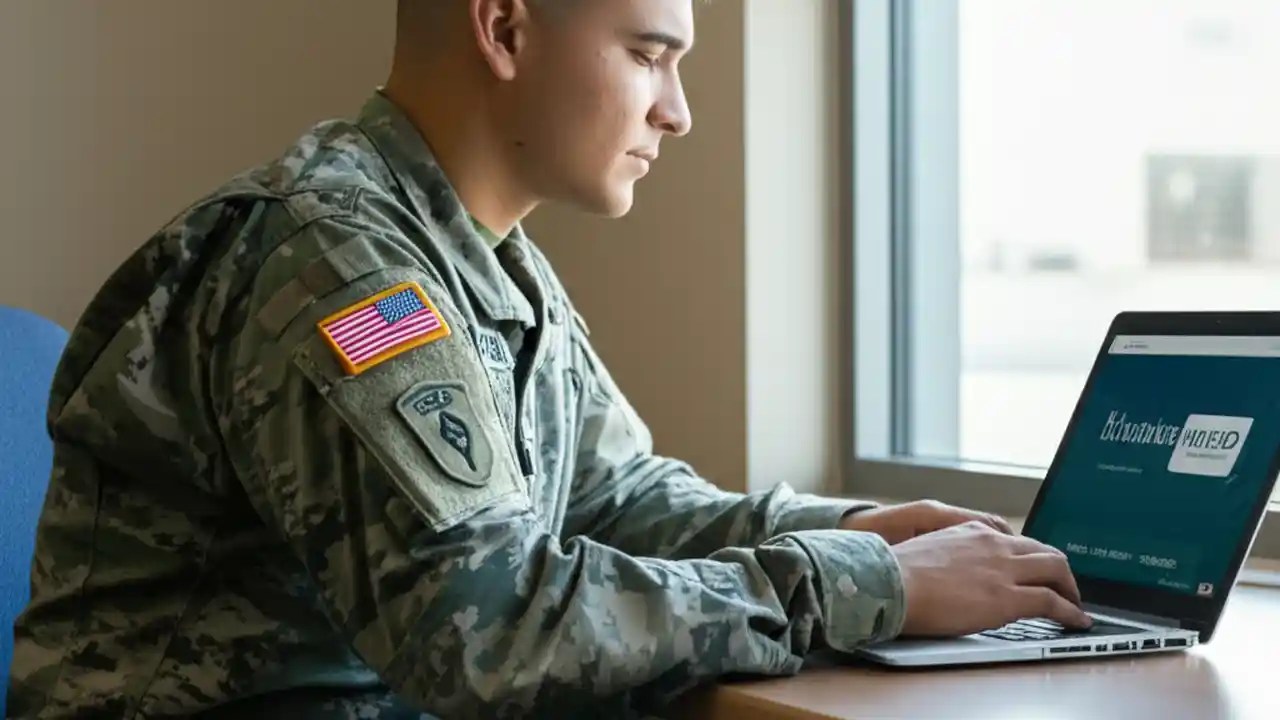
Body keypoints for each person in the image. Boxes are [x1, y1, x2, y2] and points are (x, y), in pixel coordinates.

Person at [7, 1, 1090, 717]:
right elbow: (485, 628)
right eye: (647, 55)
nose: (677, 112)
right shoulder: (336, 263)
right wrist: (862, 589)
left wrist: (856, 531)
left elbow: (615, 500)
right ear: (505, 27)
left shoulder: (480, 260)